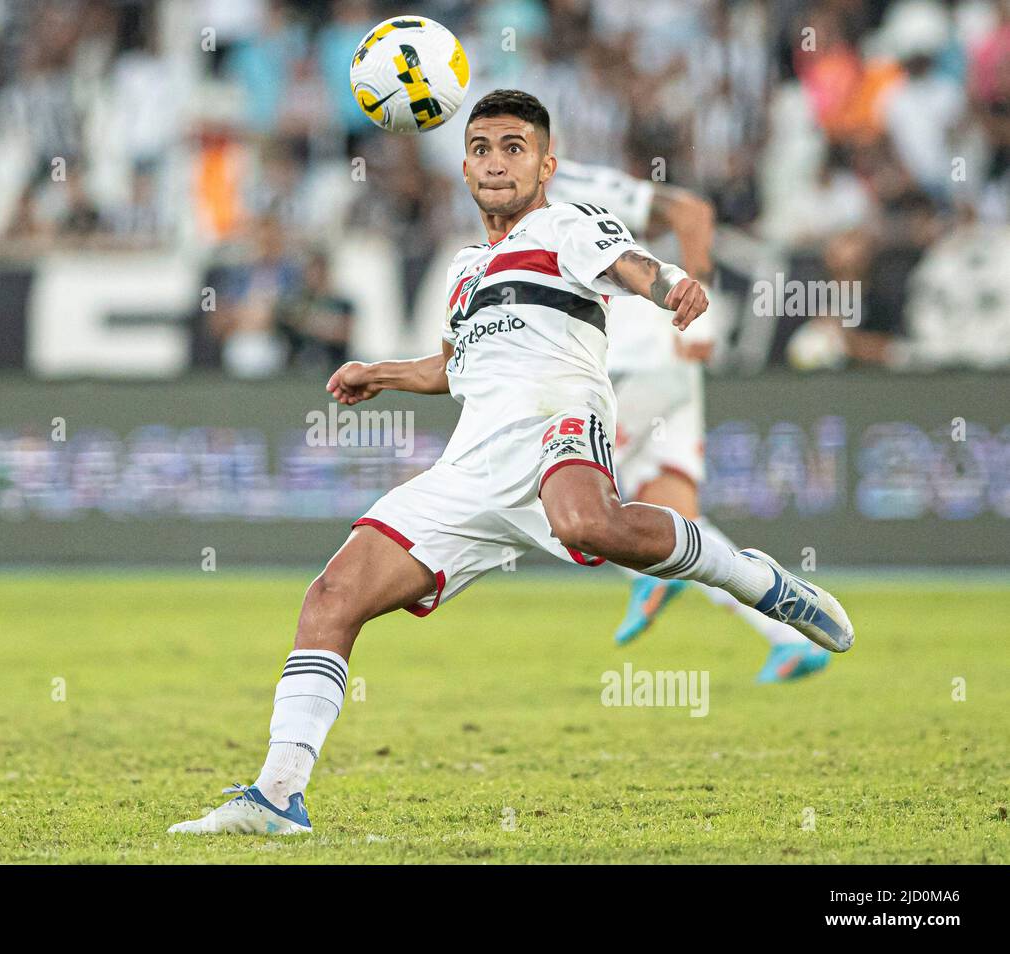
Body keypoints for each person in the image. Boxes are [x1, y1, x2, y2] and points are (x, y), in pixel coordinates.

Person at [169, 90, 854, 836]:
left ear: (545, 163)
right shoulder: (467, 269)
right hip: (470, 467)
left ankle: (751, 577)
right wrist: (381, 372)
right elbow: (458, 366)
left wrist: (673, 287)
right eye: (484, 148)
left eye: (514, 148)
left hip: (559, 420)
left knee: (588, 523)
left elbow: (630, 263)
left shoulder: (566, 225)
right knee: (332, 596)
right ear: (465, 166)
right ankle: (277, 795)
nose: (497, 162)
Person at [546, 161, 832, 683]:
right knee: (680, 522)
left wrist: (702, 303)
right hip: (664, 365)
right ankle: (789, 636)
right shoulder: (553, 198)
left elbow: (691, 210)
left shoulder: (564, 188)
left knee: (557, 481)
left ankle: (645, 572)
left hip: (632, 361)